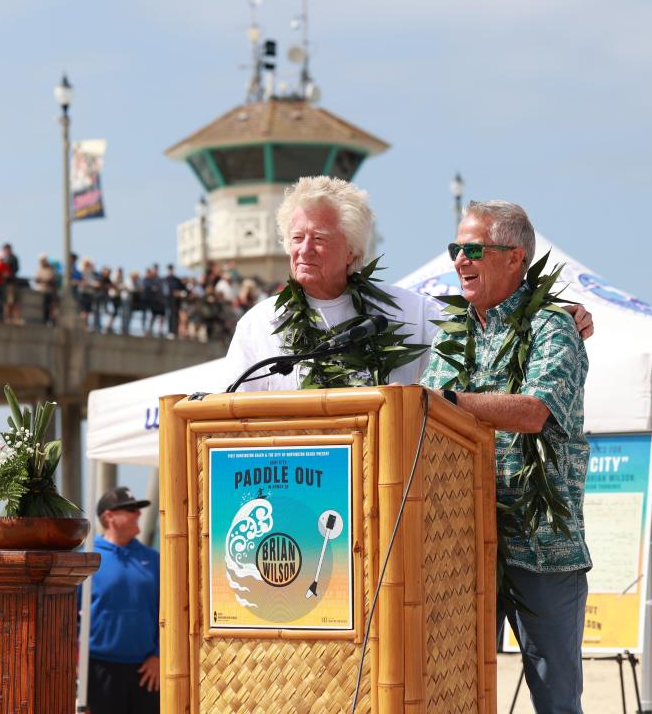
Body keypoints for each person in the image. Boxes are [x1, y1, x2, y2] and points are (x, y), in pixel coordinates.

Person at [419, 200, 591, 714]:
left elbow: (536, 411)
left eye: (472, 249)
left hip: (542, 547)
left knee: (556, 699)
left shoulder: (552, 327)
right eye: (456, 249)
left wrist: (447, 404)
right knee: (458, 692)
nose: (459, 261)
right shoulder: (453, 333)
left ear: (514, 258)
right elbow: (423, 422)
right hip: (465, 544)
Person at [227, 177, 593, 392]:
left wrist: (546, 314)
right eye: (296, 238)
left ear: (352, 250)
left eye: (319, 239)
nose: (304, 249)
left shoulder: (407, 312)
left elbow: (486, 325)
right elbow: (225, 414)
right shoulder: (258, 325)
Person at [89, 487, 159, 714]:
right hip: (99, 670)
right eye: (131, 509)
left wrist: (160, 655)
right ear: (109, 516)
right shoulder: (86, 559)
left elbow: (170, 613)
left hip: (148, 671)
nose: (138, 514)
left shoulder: (154, 559)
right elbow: (69, 617)